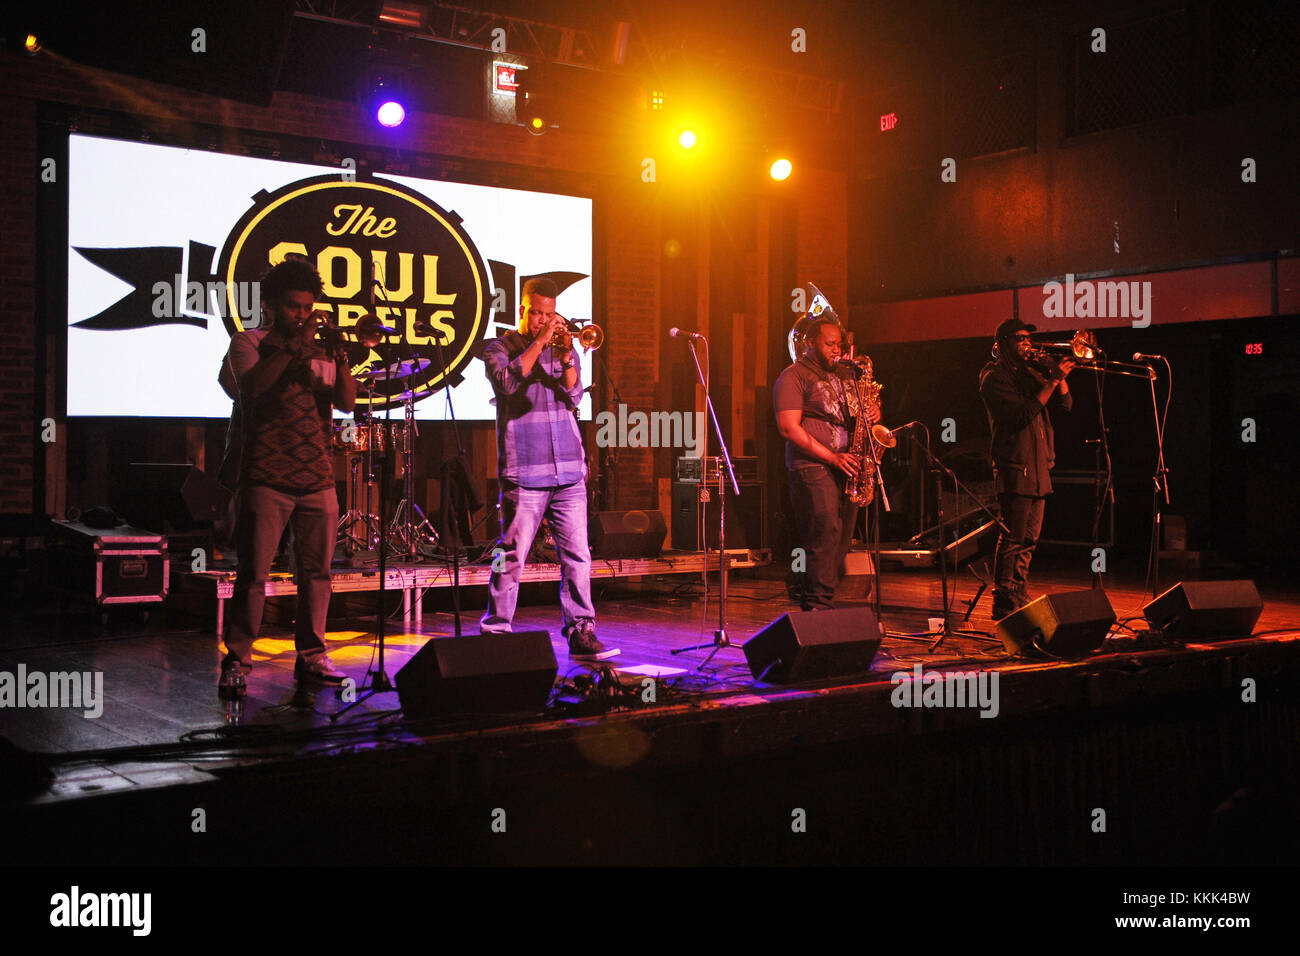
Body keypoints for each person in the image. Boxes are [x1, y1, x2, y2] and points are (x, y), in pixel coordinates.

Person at [218, 257, 357, 696]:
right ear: (271, 305)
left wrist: (341, 357)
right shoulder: (249, 342)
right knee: (254, 573)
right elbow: (254, 388)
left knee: (317, 574)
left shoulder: (317, 349)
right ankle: (238, 660)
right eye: (294, 307)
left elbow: (348, 403)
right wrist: (296, 344)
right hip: (265, 475)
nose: (302, 314)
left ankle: (313, 655)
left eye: (307, 307)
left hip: (317, 475)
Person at [480, 278, 617, 660]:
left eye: (548, 313)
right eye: (536, 312)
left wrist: (570, 354)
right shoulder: (499, 347)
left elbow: (574, 395)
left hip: (569, 469)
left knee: (578, 557)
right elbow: (506, 384)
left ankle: (581, 631)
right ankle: (496, 632)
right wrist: (539, 344)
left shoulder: (561, 349)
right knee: (510, 554)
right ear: (522, 309)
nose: (542, 320)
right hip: (525, 470)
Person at [774, 317, 878, 611]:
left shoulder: (846, 373)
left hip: (849, 466)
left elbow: (863, 408)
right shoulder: (793, 376)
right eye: (829, 344)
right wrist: (832, 456)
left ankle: (803, 588)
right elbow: (788, 428)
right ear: (809, 344)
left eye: (839, 344)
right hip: (813, 467)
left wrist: (873, 410)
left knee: (842, 540)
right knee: (824, 535)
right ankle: (818, 606)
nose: (836, 350)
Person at [978, 318, 1075, 620]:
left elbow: (1067, 406)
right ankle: (1003, 598)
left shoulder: (1030, 373)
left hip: (1038, 466)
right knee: (1013, 537)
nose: (1027, 344)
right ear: (1004, 343)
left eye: (1028, 339)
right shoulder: (993, 377)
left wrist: (1057, 377)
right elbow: (1020, 415)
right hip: (1015, 465)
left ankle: (1019, 592)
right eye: (1020, 339)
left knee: (1030, 539)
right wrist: (1050, 381)